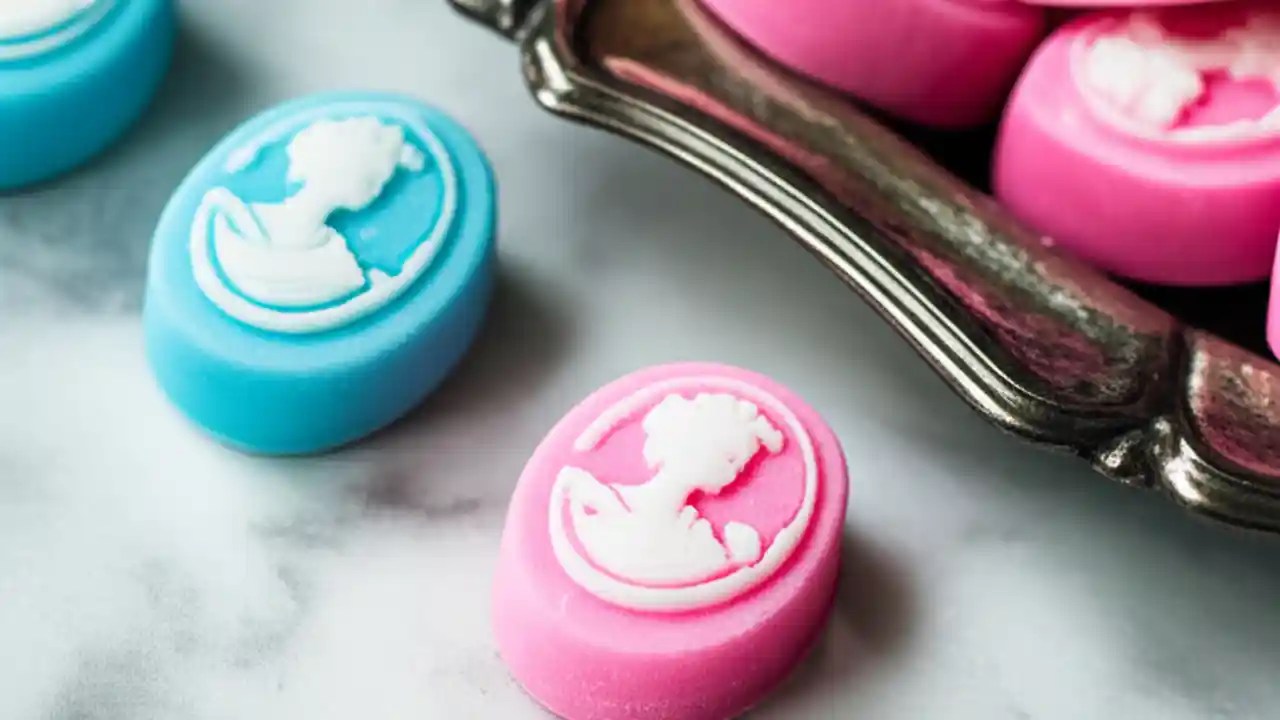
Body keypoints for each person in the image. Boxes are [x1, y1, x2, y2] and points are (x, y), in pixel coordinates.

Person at [560, 392, 784, 586]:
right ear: (692, 442)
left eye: (739, 466)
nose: (733, 474)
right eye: (729, 459)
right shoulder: (596, 502)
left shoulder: (699, 540)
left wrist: (738, 560)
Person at [205, 116, 424, 308]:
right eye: (373, 176)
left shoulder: (346, 269)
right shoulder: (229, 216)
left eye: (377, 178)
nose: (375, 187)